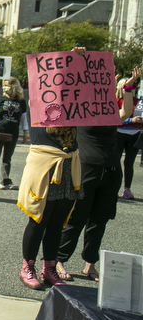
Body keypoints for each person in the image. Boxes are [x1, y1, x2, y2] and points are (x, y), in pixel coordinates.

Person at [55, 117, 122, 283]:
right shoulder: (84, 109)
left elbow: (126, 111)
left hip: (110, 169)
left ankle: (90, 263)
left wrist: (128, 89)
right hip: (86, 168)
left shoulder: (110, 109)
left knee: (99, 221)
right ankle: (59, 260)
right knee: (77, 217)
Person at [16, 123, 82, 289]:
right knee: (39, 220)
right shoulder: (40, 101)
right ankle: (28, 267)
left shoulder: (72, 104)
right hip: (46, 165)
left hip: (68, 166)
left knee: (57, 223)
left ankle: (49, 268)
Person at [0, 77, 28, 190]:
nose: (5, 88)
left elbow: (24, 118)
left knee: (7, 158)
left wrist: (25, 132)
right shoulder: (0, 99)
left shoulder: (21, 101)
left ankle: (6, 180)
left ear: (15, 86)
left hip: (13, 132)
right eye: (4, 85)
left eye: (7, 85)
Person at [115, 70, 143, 199]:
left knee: (129, 163)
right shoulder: (116, 100)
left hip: (134, 134)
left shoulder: (138, 101)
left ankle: (127, 189)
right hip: (119, 134)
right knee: (115, 162)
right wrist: (130, 120)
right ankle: (114, 187)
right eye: (127, 85)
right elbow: (115, 119)